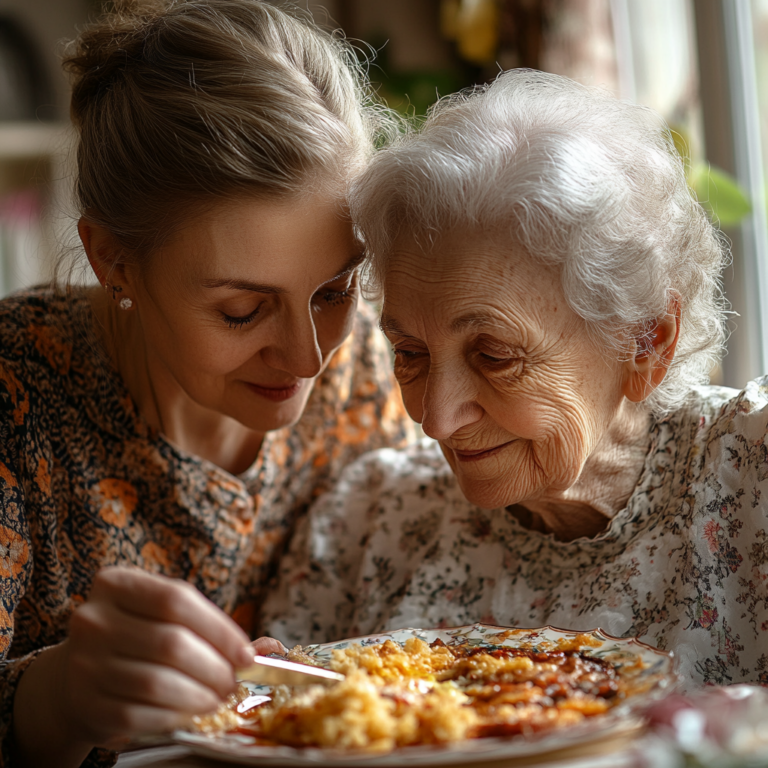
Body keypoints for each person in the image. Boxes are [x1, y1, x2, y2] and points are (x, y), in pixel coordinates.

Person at [0, 1, 414, 766]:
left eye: (335, 291)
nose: (308, 358)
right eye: (241, 310)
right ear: (114, 261)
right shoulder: (15, 399)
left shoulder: (363, 372)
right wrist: (59, 699)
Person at [261, 70, 768, 690]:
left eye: (495, 355)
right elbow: (264, 709)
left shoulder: (754, 479)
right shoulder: (369, 521)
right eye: (411, 352)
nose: (436, 419)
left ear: (645, 341)